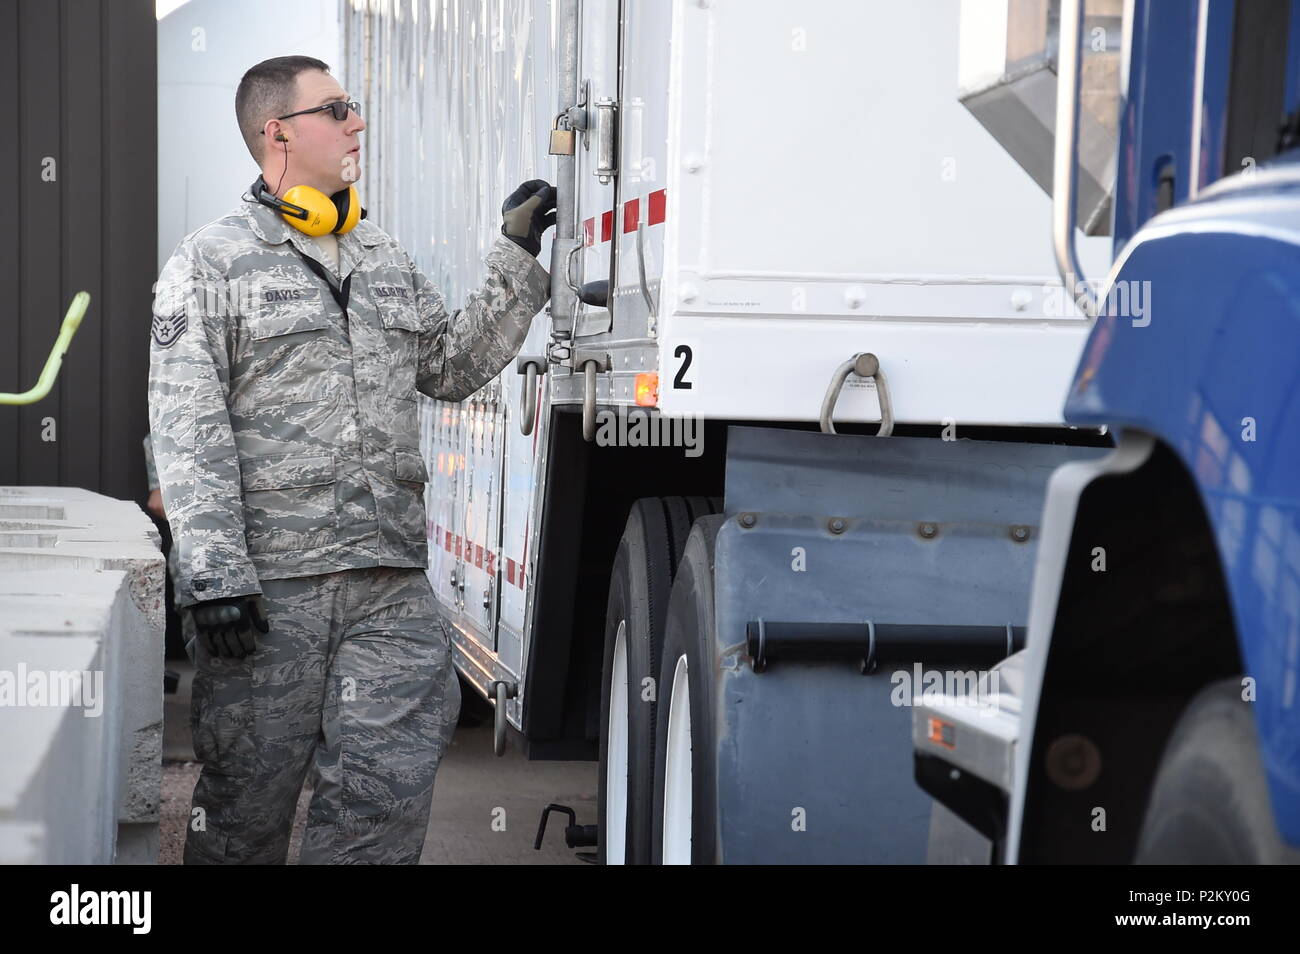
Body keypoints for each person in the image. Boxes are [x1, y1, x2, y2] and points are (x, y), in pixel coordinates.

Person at [148, 55, 555, 864]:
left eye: (354, 107)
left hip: (390, 585)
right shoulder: (210, 263)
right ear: (279, 133)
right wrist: (216, 576)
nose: (356, 123)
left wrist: (513, 256)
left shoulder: (382, 257)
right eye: (337, 110)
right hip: (270, 594)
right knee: (244, 813)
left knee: (382, 801)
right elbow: (186, 425)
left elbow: (450, 366)